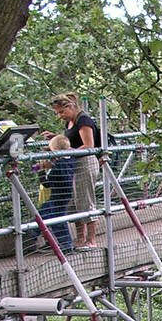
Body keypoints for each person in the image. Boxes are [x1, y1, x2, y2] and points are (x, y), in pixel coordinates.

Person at [49, 92, 100, 249]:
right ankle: (80, 237)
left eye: (61, 112)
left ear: (69, 106)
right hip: (74, 164)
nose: (60, 116)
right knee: (75, 202)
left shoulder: (83, 120)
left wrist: (67, 151)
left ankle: (91, 240)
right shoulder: (70, 122)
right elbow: (72, 141)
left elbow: (88, 145)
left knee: (85, 200)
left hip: (85, 163)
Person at [25, 134, 74, 253]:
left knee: (56, 219)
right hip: (65, 194)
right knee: (44, 210)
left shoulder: (58, 166)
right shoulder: (70, 159)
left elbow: (47, 183)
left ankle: (66, 244)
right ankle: (33, 232)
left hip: (57, 195)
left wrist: (40, 170)